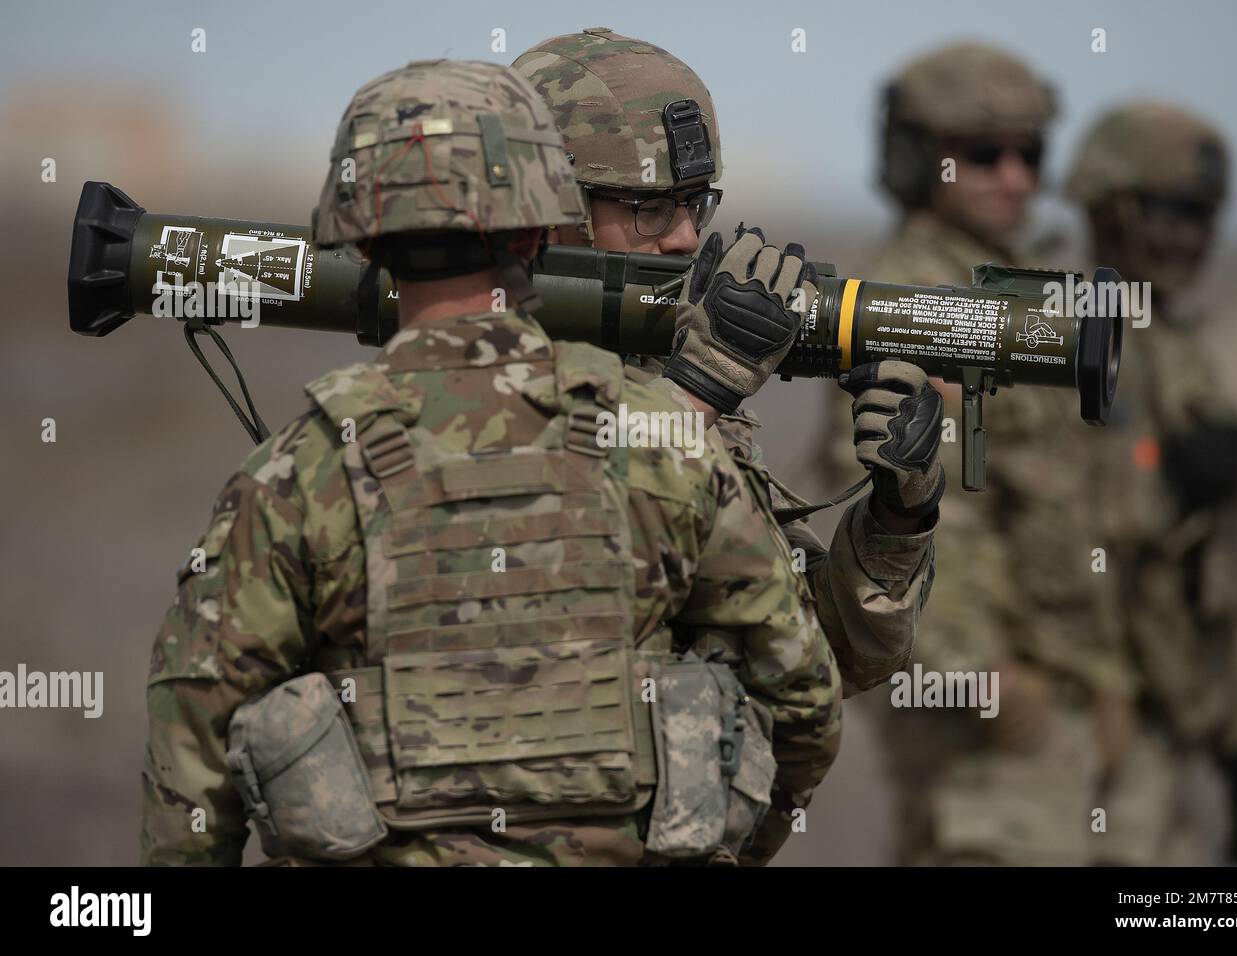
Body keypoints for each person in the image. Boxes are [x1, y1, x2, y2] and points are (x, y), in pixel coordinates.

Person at [140, 58, 841, 867]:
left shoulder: (298, 471)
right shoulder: (665, 440)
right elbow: (803, 699)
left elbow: (190, 757)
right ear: (544, 227)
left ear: (361, 239)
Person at [514, 28, 945, 861]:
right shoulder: (485, 388)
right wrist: (697, 393)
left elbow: (817, 656)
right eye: (647, 207)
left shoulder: (663, 380)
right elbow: (555, 597)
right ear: (548, 209)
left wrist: (896, 519)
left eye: (694, 203)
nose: (681, 239)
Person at [850, 42, 1130, 865]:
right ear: (918, 159)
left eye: (1031, 154)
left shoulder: (1021, 291)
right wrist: (989, 684)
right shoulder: (905, 305)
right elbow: (902, 517)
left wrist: (1106, 682)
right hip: (982, 731)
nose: (1016, 176)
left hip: (1062, 712)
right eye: (983, 154)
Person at [1067, 101, 1237, 864]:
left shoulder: (1175, 347)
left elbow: (1202, 584)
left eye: (1206, 216)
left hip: (1163, 736)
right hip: (1081, 743)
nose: (1192, 238)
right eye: (1171, 212)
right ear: (1111, 206)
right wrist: (1172, 491)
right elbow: (1108, 546)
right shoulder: (1057, 333)